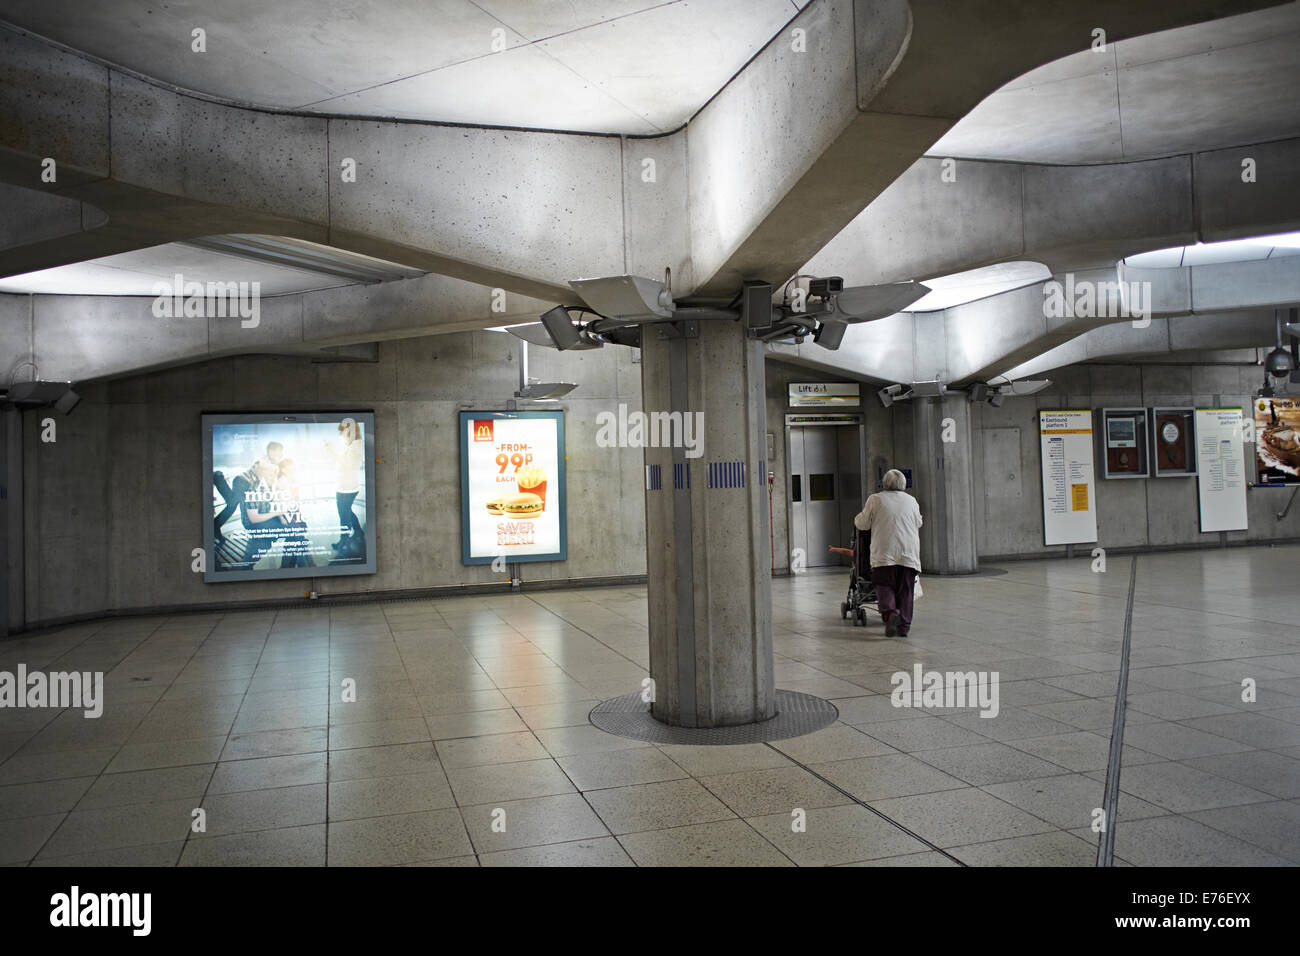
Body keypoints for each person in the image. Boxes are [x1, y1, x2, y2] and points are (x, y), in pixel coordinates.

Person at [854, 468, 923, 637]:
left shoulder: (875, 499)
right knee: (906, 590)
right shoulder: (912, 500)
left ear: (884, 484)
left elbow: (863, 524)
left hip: (885, 553)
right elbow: (919, 522)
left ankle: (891, 613)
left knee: (884, 585)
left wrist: (857, 519)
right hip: (908, 553)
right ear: (903, 485)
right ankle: (904, 627)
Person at [325, 419, 364, 552]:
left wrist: (332, 451)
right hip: (346, 486)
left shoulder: (355, 446)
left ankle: (344, 542)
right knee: (347, 511)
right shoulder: (352, 445)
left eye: (343, 432)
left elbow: (347, 465)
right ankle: (358, 532)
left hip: (347, 488)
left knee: (344, 516)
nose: (341, 435)